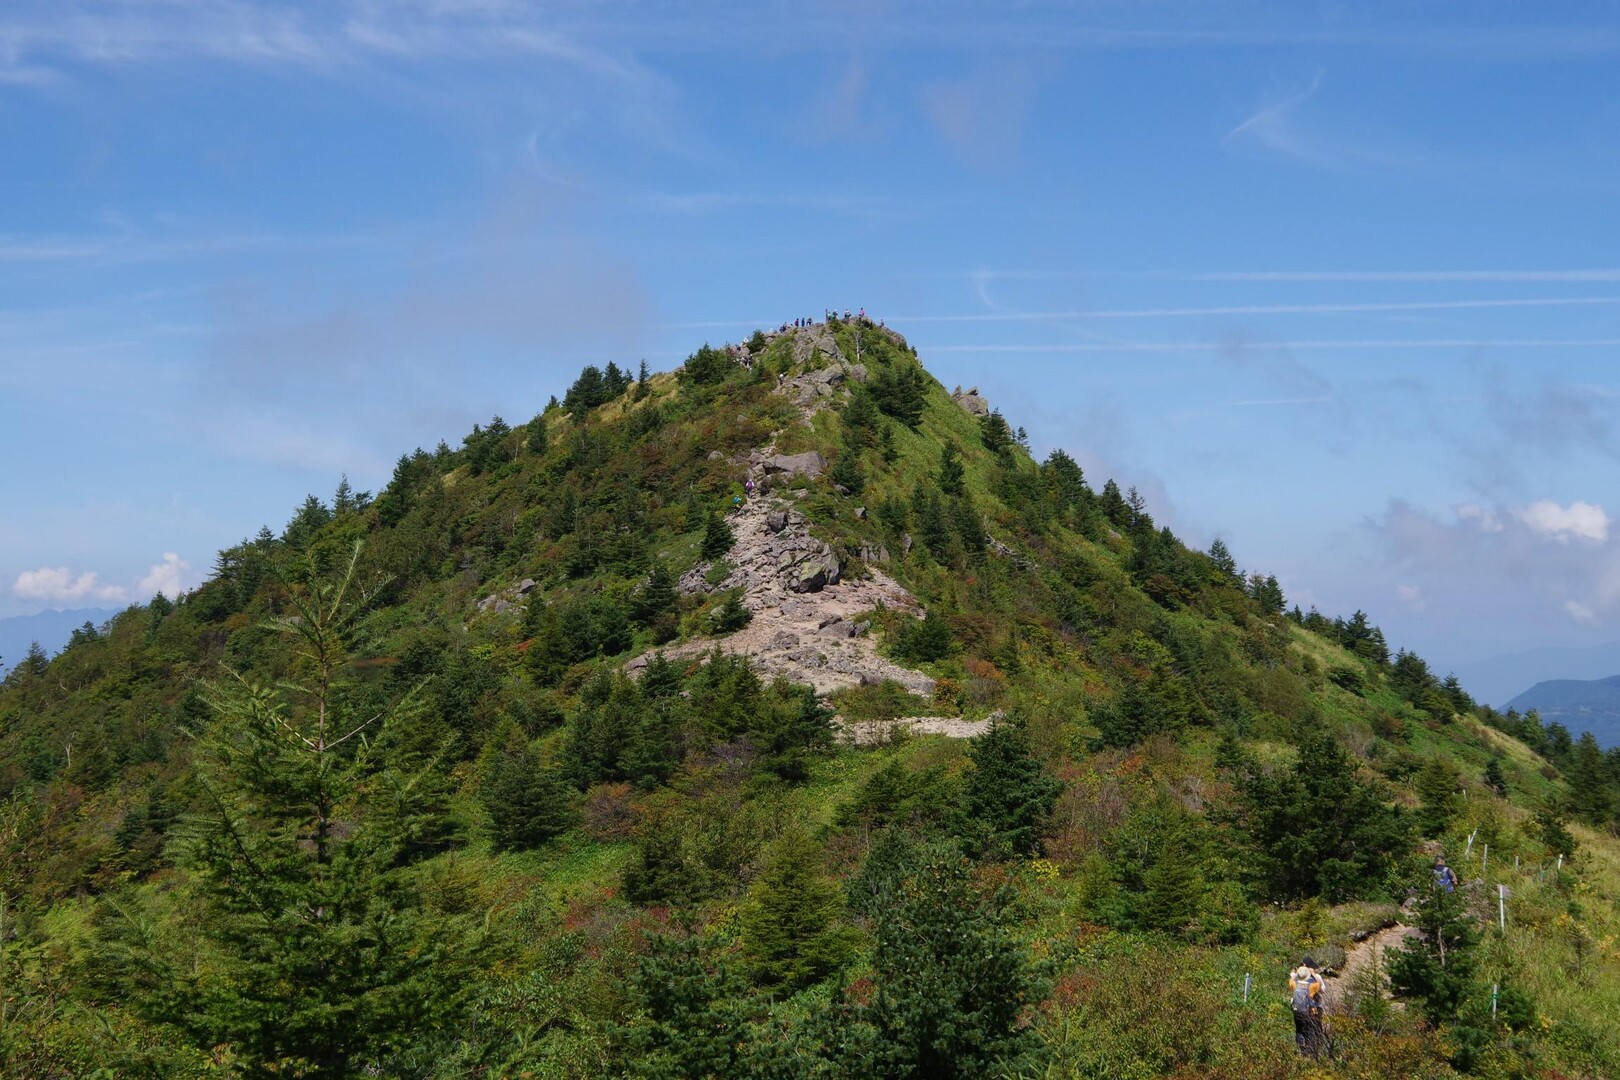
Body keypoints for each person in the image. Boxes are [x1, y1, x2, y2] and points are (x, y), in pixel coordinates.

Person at [1289, 957, 1326, 1057]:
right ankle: (1311, 1053)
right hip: (1309, 1011)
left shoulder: (1295, 983)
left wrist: (1298, 972)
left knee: (1299, 1030)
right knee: (1310, 1031)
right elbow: (1322, 987)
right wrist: (1313, 974)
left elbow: (1291, 978)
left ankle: (1301, 1050)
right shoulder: (1313, 985)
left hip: (1297, 1011)